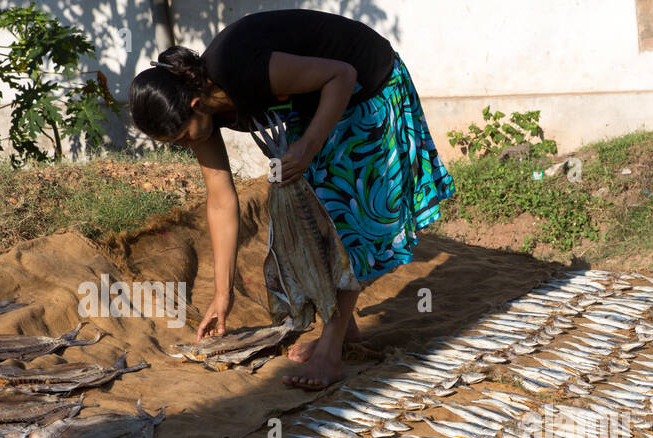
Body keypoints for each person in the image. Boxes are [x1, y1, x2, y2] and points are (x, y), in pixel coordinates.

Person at [128, 9, 455, 388]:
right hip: (322, 101)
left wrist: (308, 147)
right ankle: (342, 330)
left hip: (367, 84)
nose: (187, 144)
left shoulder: (239, 66)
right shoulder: (199, 109)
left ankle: (331, 355)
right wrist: (222, 296)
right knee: (309, 214)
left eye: (183, 136)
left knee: (344, 215)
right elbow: (220, 200)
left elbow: (342, 75)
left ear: (196, 105)